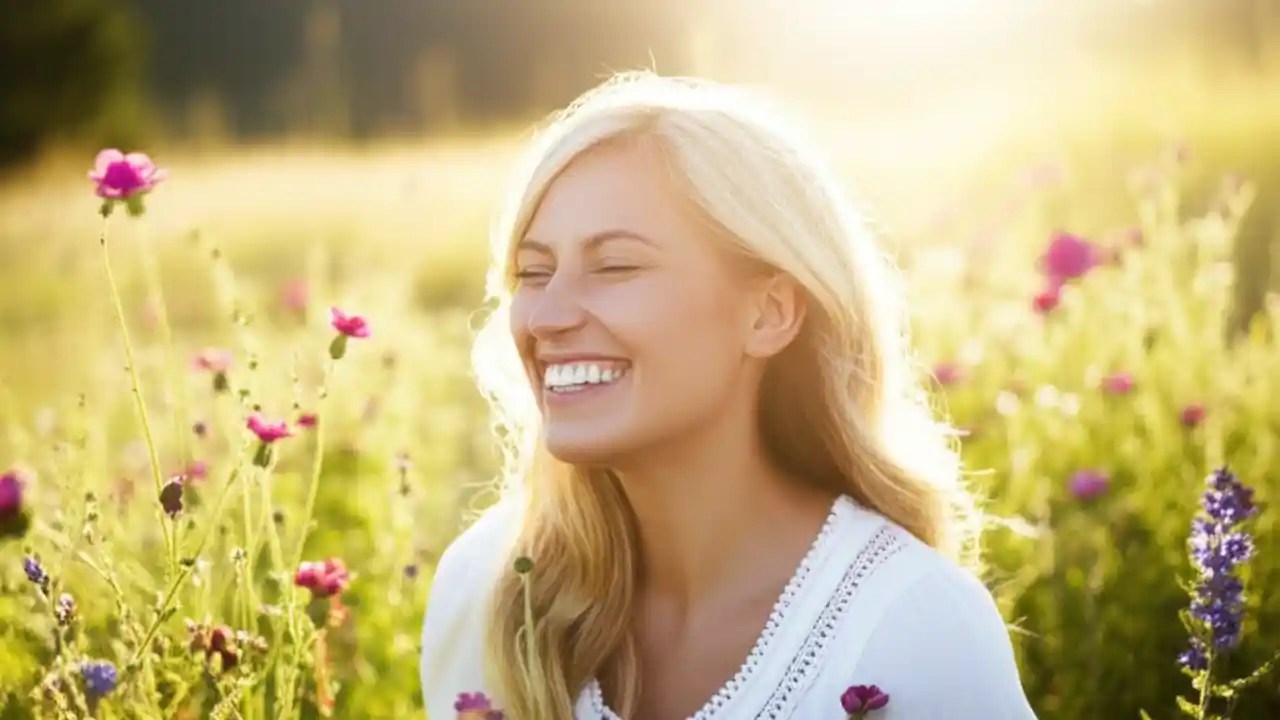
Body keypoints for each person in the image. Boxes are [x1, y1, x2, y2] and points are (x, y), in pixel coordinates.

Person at [421, 71, 1037, 720]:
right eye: (535, 272)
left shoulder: (913, 627)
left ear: (769, 313)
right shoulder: (489, 593)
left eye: (616, 266)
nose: (546, 317)